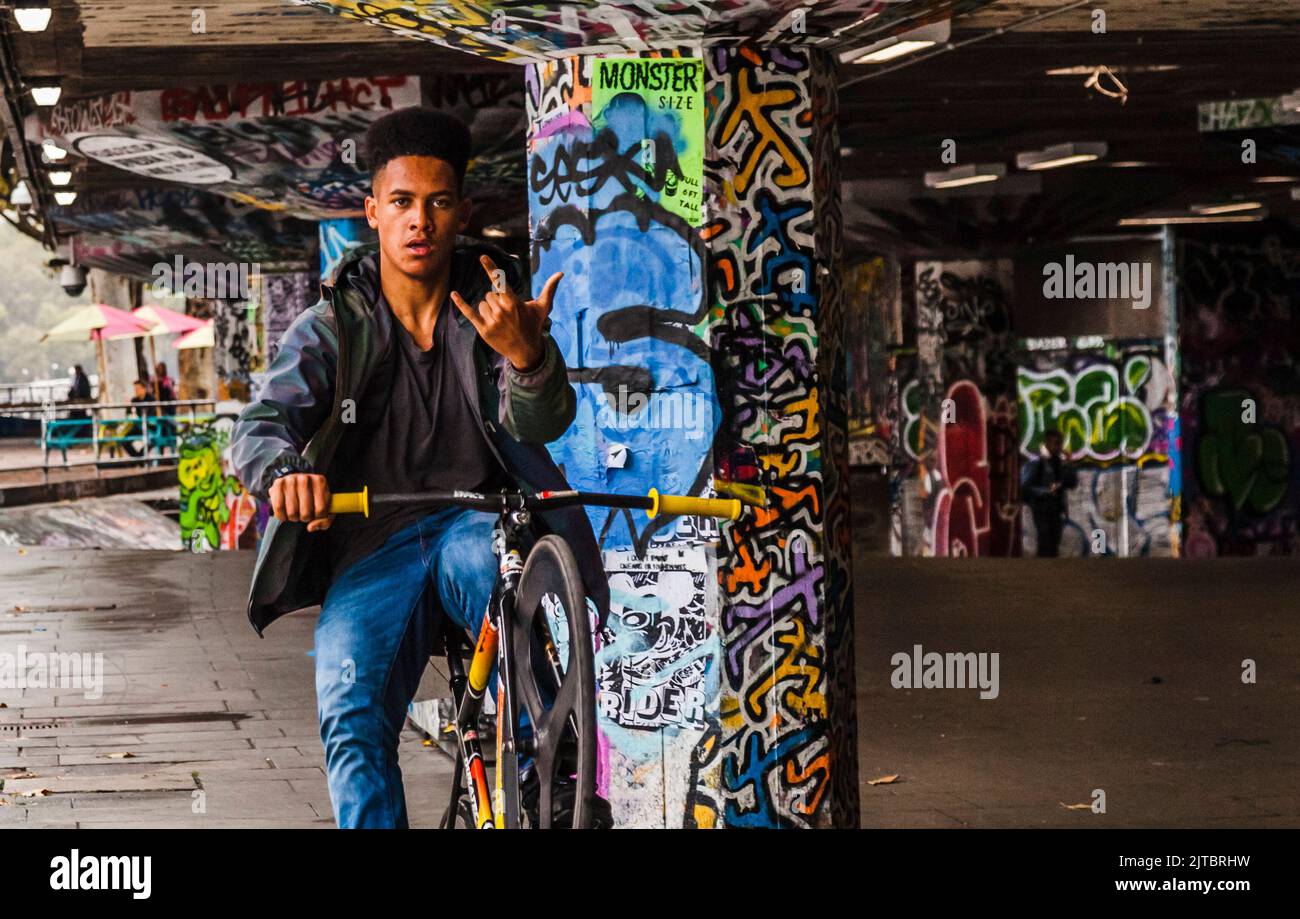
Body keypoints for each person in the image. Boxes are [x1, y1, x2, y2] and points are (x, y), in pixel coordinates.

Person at [229, 107, 610, 830]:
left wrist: (528, 359)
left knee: (505, 589)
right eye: (401, 202)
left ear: (461, 212)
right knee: (349, 715)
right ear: (372, 211)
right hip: (371, 547)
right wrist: (284, 472)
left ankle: (555, 778)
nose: (419, 221)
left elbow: (543, 421)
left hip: (477, 526)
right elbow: (261, 424)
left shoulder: (498, 309)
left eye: (437, 202)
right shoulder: (335, 326)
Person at [1020, 429, 1078, 557]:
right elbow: (1025, 488)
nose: (1058, 447)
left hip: (1057, 510)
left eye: (1060, 444)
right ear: (1047, 443)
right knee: (1045, 543)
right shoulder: (1036, 462)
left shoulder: (1059, 462)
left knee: (1054, 545)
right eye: (1056, 443)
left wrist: (1069, 464)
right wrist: (1046, 492)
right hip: (1041, 510)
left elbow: (1072, 483)